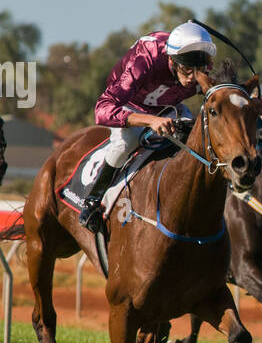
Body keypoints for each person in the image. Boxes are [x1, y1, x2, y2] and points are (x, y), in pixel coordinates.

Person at [76, 21, 219, 232]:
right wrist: (150, 120)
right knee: (126, 143)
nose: (192, 79)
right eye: (186, 70)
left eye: (198, 71)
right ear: (172, 60)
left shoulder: (202, 68)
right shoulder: (147, 58)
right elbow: (102, 110)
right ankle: (92, 202)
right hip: (129, 103)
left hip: (167, 106)